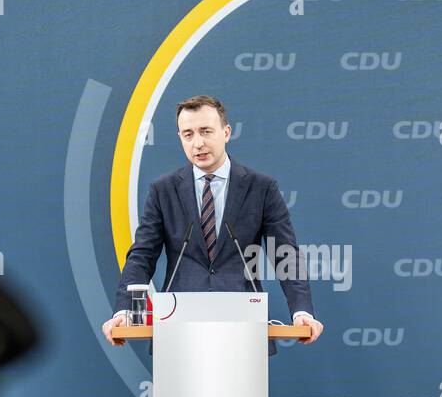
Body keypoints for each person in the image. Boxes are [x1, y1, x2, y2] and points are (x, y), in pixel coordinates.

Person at [103, 95, 324, 350]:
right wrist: (123, 311)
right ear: (180, 138)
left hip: (243, 327)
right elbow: (141, 256)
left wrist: (302, 311)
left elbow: (285, 256)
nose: (198, 143)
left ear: (226, 132)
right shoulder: (163, 190)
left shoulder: (261, 187)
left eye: (206, 131)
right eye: (188, 134)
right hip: (178, 328)